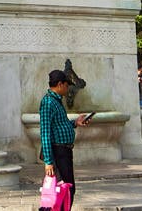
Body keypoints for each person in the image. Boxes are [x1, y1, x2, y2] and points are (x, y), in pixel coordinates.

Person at [39, 69, 89, 209]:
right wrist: (48, 161)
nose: (68, 89)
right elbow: (45, 132)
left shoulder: (57, 101)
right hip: (58, 152)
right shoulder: (48, 102)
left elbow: (61, 124)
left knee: (67, 189)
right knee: (64, 190)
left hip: (64, 152)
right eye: (67, 86)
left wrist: (76, 122)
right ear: (60, 84)